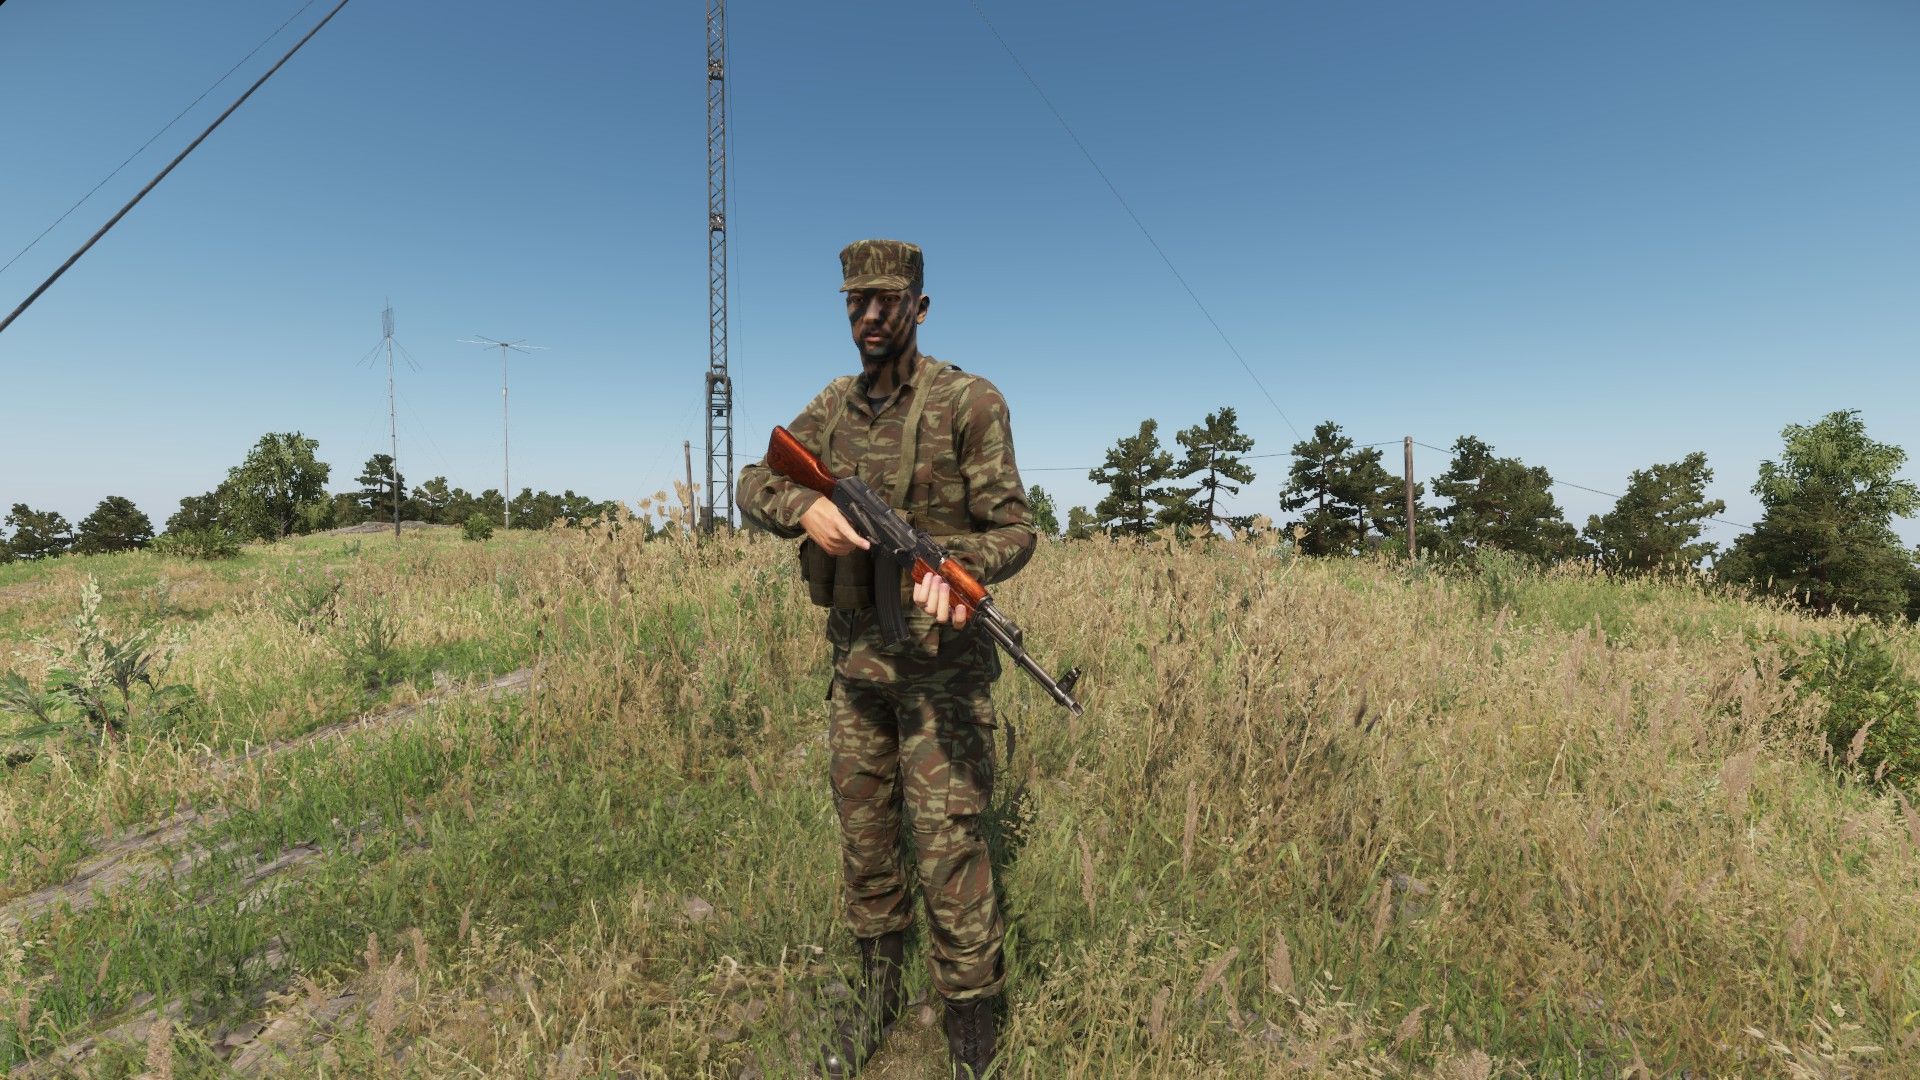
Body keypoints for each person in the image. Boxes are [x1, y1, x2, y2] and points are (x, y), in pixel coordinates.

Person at [737, 239, 1035, 1078]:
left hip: (943, 679)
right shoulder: (834, 405)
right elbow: (752, 477)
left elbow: (1018, 527)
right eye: (855, 301)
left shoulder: (969, 402)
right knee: (866, 841)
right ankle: (875, 993)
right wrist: (802, 507)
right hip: (858, 672)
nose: (870, 316)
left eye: (887, 301)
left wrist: (964, 575)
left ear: (920, 308)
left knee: (949, 849)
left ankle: (971, 1028)